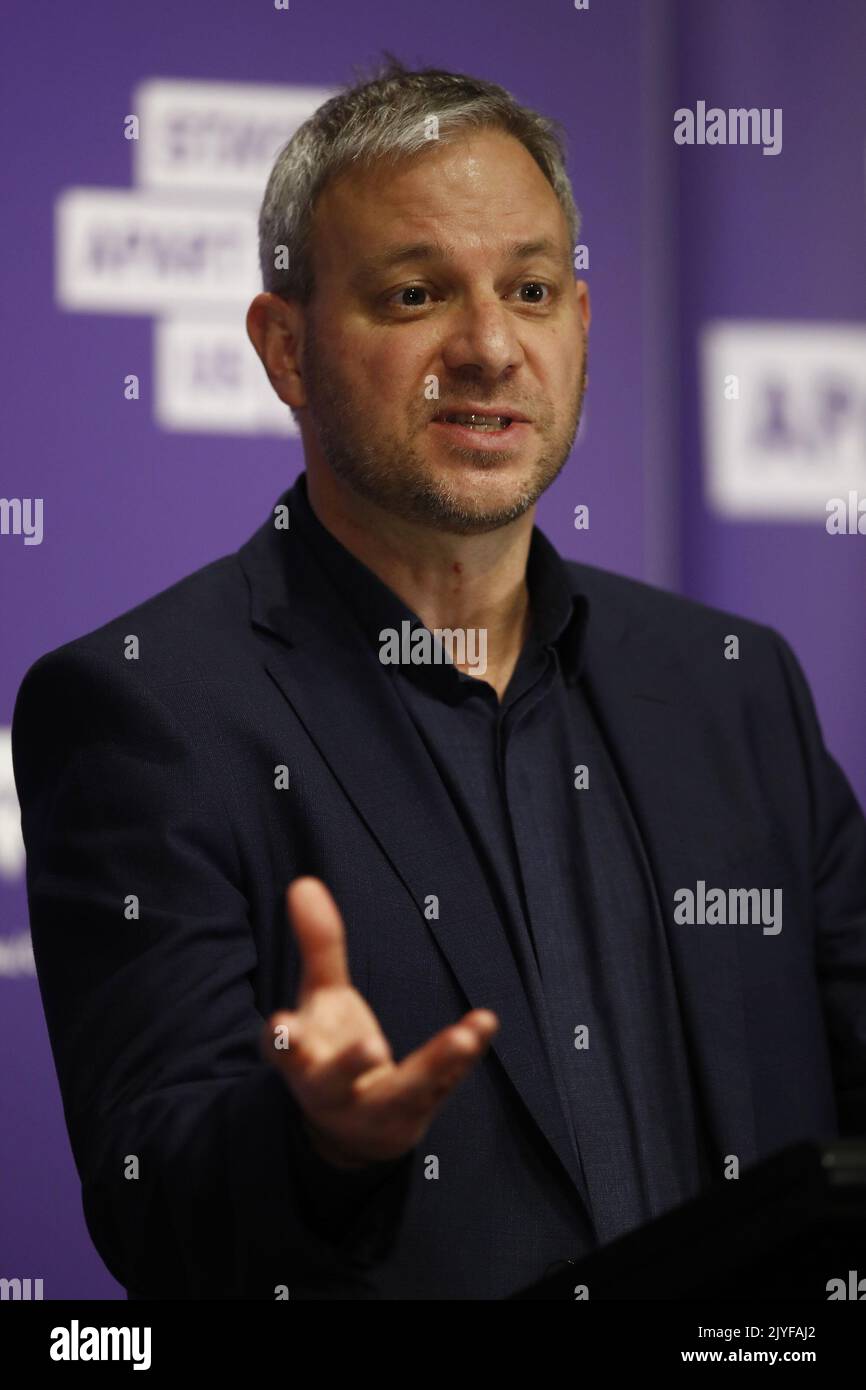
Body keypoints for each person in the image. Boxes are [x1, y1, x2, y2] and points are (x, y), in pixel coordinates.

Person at [13, 57, 866, 1301]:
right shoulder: (148, 707)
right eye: (414, 294)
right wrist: (320, 1142)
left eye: (529, 289)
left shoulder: (732, 686)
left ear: (579, 324)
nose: (485, 347)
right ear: (284, 347)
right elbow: (162, 1212)